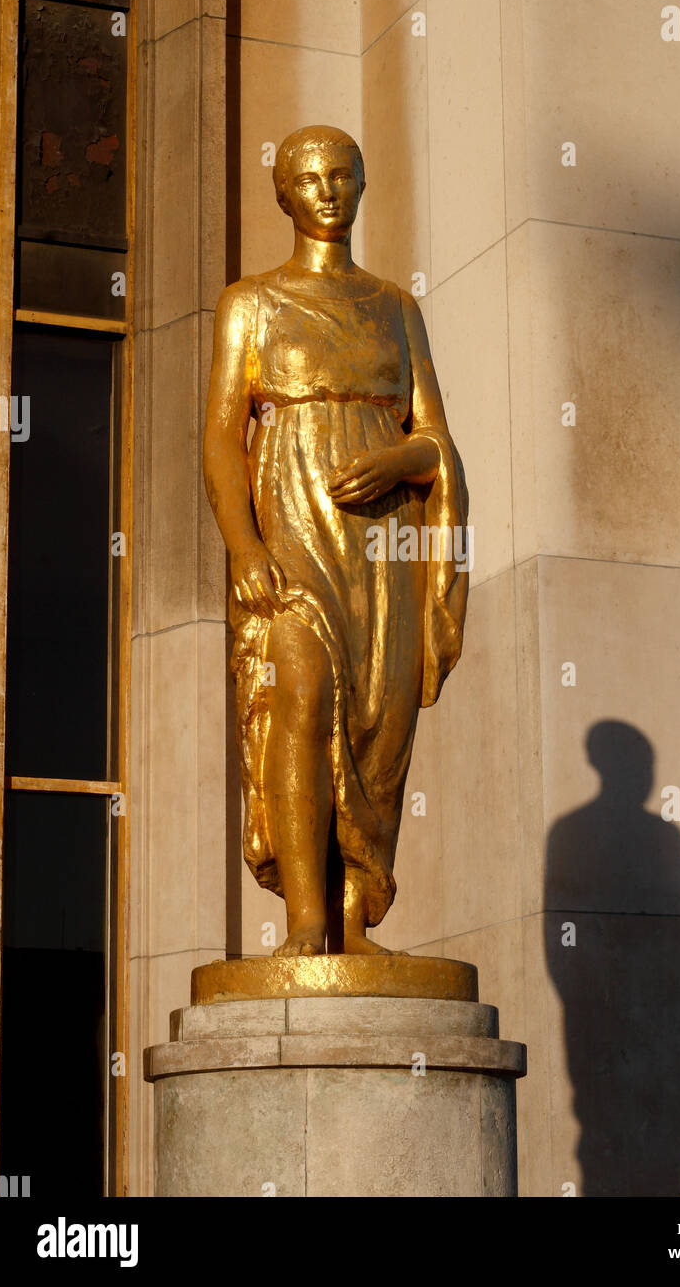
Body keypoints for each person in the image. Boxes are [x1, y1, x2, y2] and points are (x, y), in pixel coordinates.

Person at [203, 125, 468, 956]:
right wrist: (244, 547)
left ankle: (353, 921)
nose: (326, 190)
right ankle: (306, 920)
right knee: (300, 695)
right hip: (292, 536)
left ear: (361, 186)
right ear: (283, 194)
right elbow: (219, 436)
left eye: (341, 176)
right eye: (307, 178)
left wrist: (399, 456)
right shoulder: (251, 302)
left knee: (377, 722)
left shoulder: (396, 307)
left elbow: (435, 439)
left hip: (385, 545)